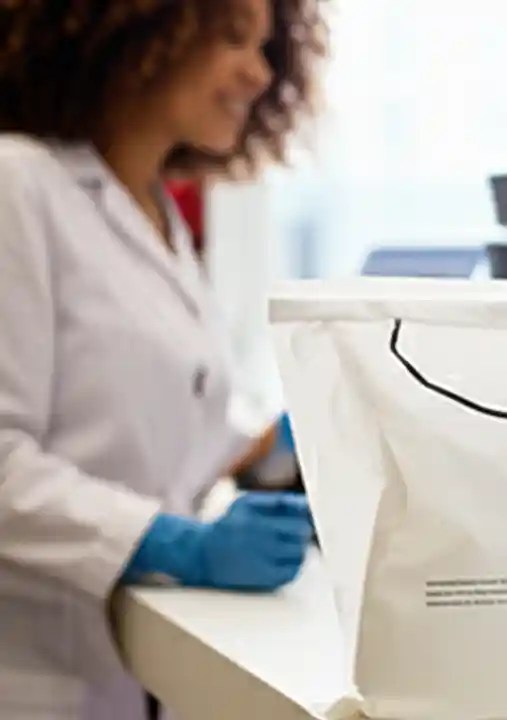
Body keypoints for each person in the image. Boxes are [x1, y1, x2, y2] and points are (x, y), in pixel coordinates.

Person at [0, 1, 326, 718]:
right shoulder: (16, 184)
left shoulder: (158, 212)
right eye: (233, 39)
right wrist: (170, 541)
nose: (259, 72)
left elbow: (168, 426)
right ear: (140, 32)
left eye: (268, 48)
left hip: (129, 668)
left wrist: (297, 439)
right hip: (27, 671)